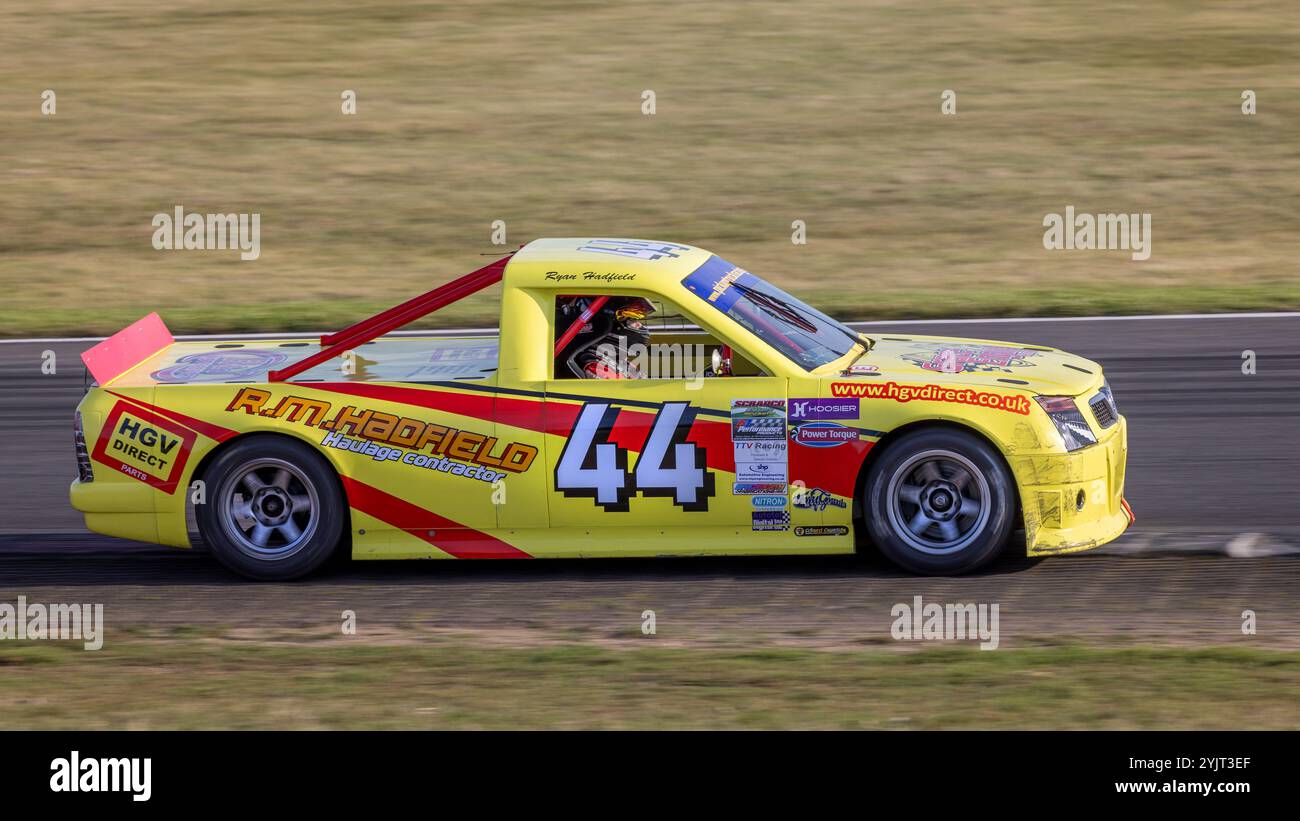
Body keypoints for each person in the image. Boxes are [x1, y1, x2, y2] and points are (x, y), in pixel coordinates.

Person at [555, 296, 655, 378]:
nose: (639, 325)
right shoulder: (595, 365)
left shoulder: (619, 361)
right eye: (630, 319)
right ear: (611, 323)